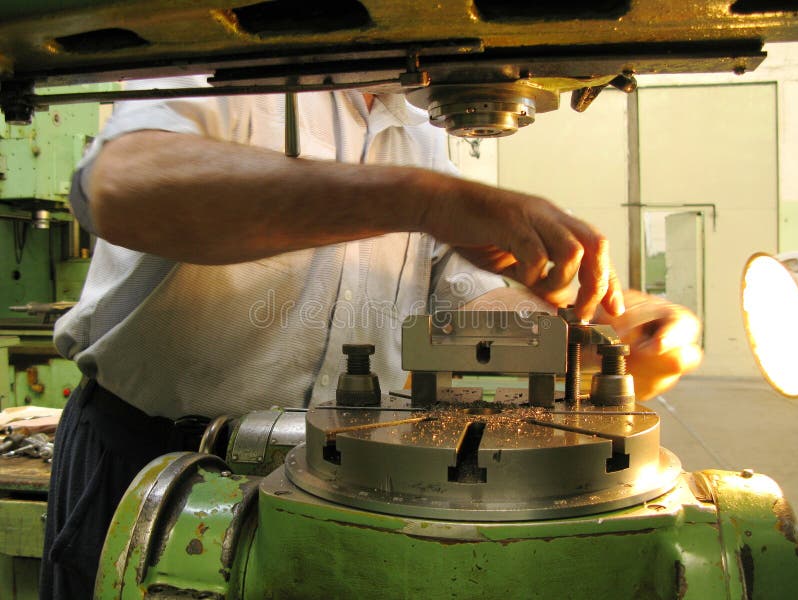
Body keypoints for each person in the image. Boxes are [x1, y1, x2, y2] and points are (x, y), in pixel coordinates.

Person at [40, 80, 702, 599]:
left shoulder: (417, 128)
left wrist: (598, 335)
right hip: (155, 466)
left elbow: (464, 297)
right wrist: (421, 199)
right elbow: (123, 188)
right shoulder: (235, 64)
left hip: (335, 480)